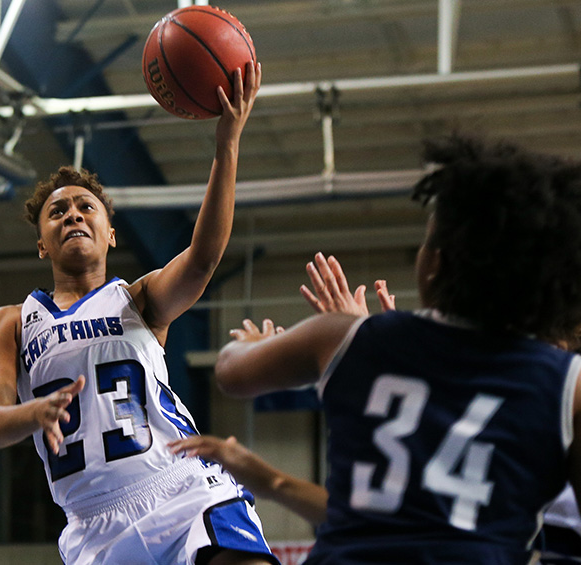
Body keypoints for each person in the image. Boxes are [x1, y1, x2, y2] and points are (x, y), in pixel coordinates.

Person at [194, 134, 581, 564]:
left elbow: (231, 373)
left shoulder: (347, 337)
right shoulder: (568, 386)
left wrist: (255, 342)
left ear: (435, 264)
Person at [0, 62, 277, 565]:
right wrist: (34, 413)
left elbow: (202, 259)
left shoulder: (137, 299)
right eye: (57, 211)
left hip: (182, 488)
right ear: (42, 245)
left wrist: (226, 144)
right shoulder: (9, 323)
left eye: (86, 207)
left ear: (111, 234)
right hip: (92, 523)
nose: (73, 214)